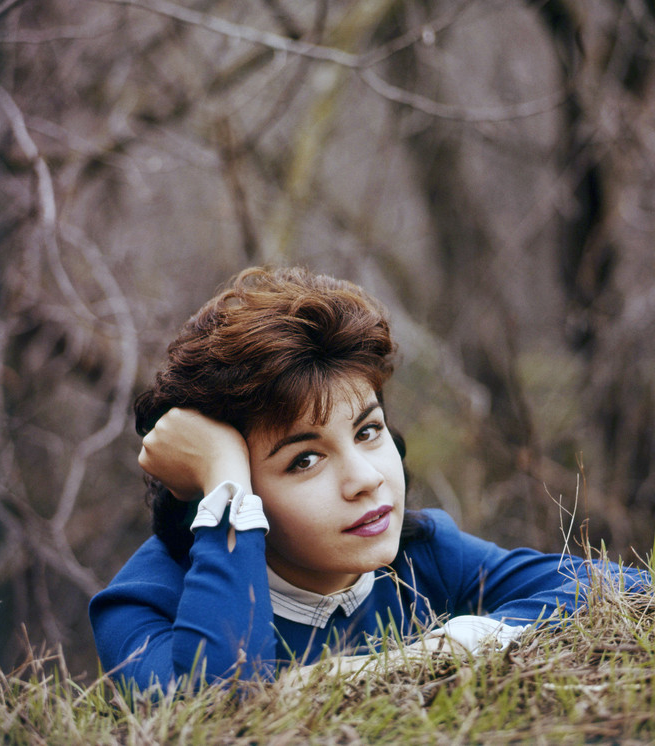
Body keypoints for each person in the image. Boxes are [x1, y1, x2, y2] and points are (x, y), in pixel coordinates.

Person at [89, 266, 644, 690]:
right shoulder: (143, 604)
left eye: (368, 432)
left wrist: (422, 653)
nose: (366, 480)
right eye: (304, 460)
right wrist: (223, 478)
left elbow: (622, 590)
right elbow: (218, 707)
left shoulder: (420, 555)